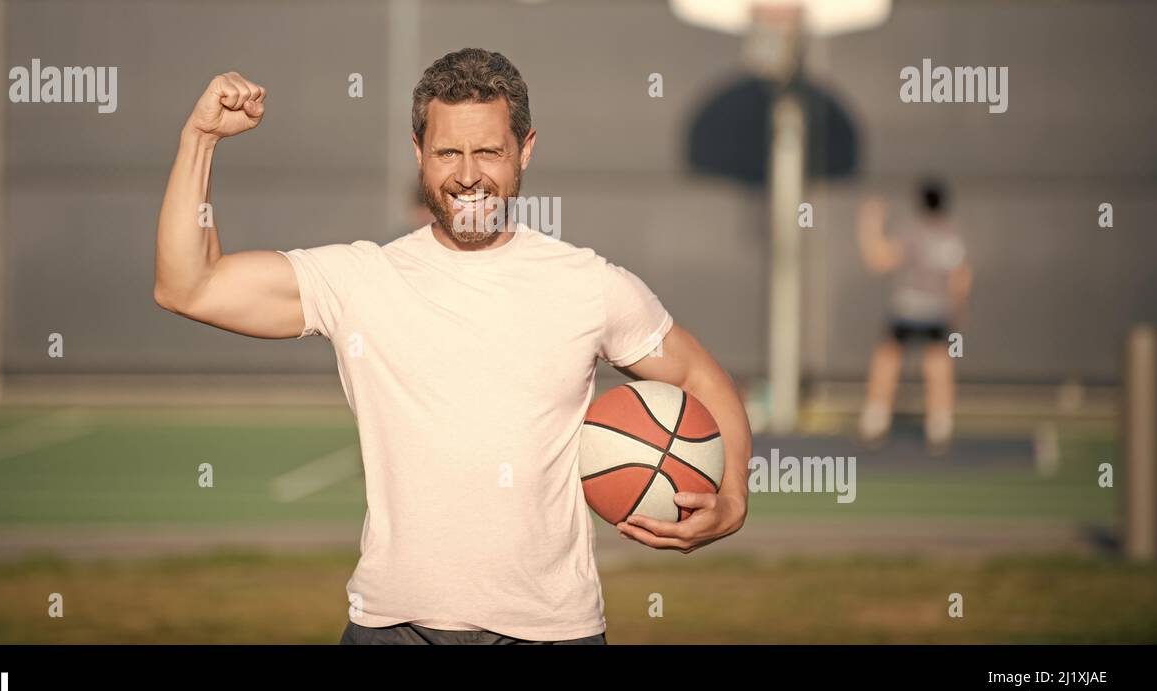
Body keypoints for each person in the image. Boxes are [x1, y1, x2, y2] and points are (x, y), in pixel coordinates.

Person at [153, 48, 753, 644]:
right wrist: (200, 137)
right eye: (447, 152)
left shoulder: (589, 284)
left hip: (551, 631)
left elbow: (699, 377)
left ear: (525, 150)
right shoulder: (361, 280)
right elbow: (189, 285)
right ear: (419, 153)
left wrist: (732, 499)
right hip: (393, 628)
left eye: (489, 150)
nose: (468, 174)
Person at [856, 180, 972, 454]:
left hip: (907, 308)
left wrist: (869, 225)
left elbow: (879, 260)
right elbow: (962, 276)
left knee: (888, 358)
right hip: (936, 310)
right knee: (937, 361)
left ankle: (875, 419)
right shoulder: (950, 234)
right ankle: (940, 423)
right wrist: (957, 309)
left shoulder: (912, 231)